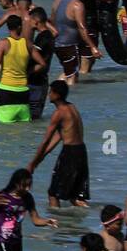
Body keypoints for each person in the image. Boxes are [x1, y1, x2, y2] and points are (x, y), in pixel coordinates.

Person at [27, 80, 89, 208]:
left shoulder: (59, 113)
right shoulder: (72, 107)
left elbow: (46, 140)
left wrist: (32, 163)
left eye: (51, 92)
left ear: (57, 95)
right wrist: (40, 158)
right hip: (81, 151)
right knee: (75, 196)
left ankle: (56, 225)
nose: (49, 95)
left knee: (53, 193)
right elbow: (60, 136)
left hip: (70, 153)